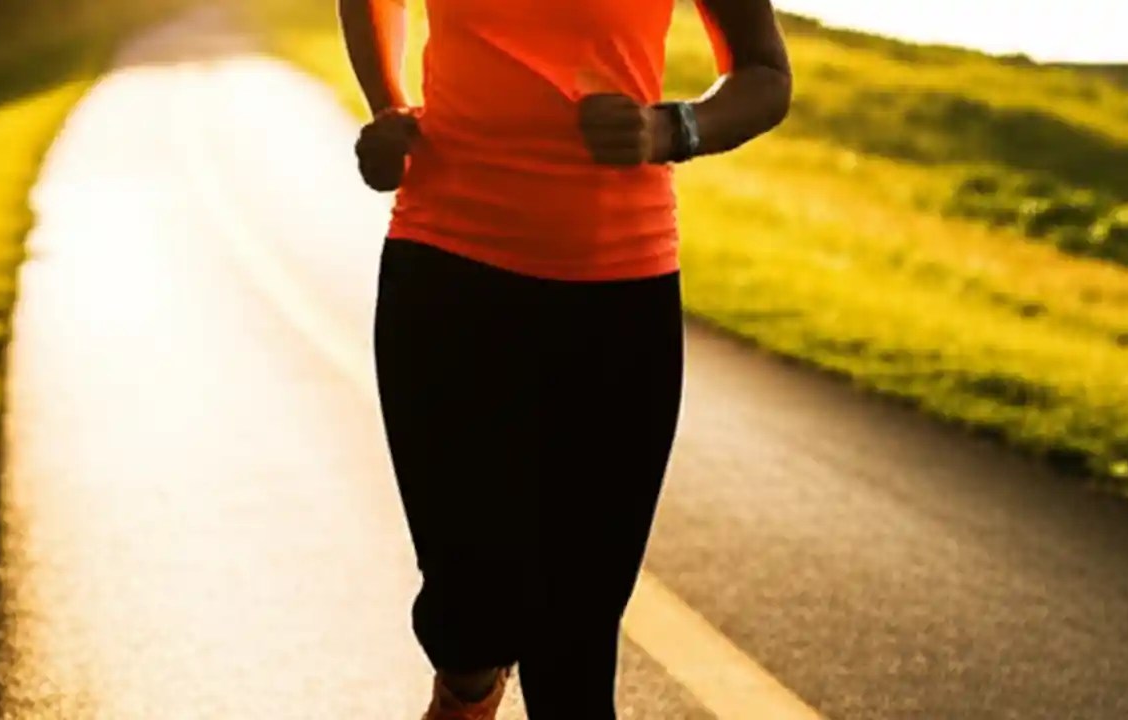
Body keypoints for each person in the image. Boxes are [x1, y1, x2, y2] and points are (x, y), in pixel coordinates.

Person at [339, 0, 791, 716]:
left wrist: (667, 128)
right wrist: (388, 110)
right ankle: (468, 683)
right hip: (447, 275)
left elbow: (765, 75)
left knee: (574, 645)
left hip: (618, 295)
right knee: (470, 610)